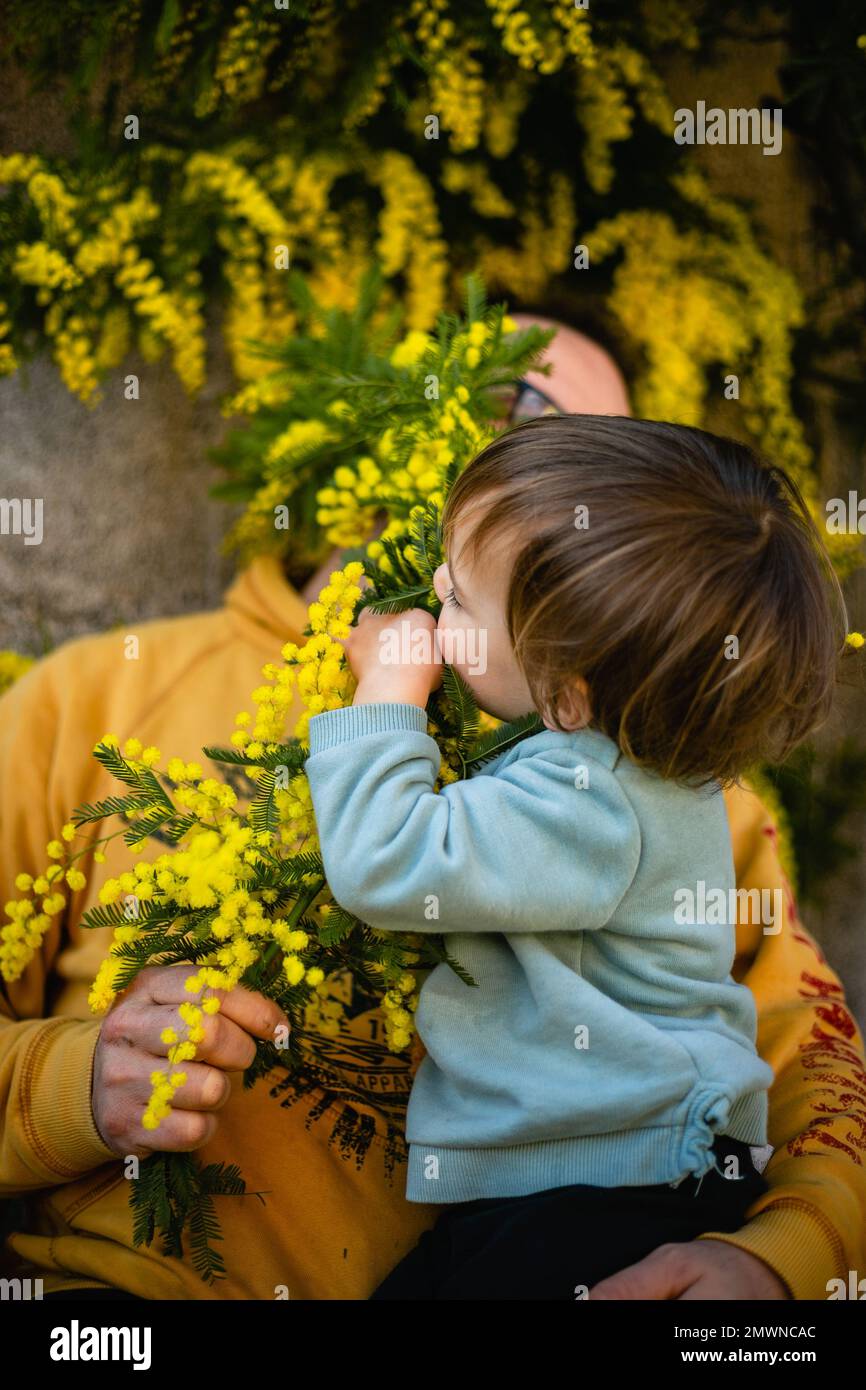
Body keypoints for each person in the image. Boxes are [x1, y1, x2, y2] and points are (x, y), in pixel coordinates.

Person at [0, 320, 863, 1301]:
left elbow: (810, 1071)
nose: (515, 452)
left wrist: (778, 1260)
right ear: (384, 404)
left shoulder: (676, 782)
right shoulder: (93, 699)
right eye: (504, 398)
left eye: (582, 473)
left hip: (568, 1226)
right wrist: (68, 1085)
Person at [302, 413, 838, 1299]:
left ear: (568, 693)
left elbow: (387, 860)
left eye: (462, 601)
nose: (436, 585)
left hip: (611, 1189)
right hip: (619, 1166)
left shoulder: (591, 805)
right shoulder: (633, 766)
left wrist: (387, 690)